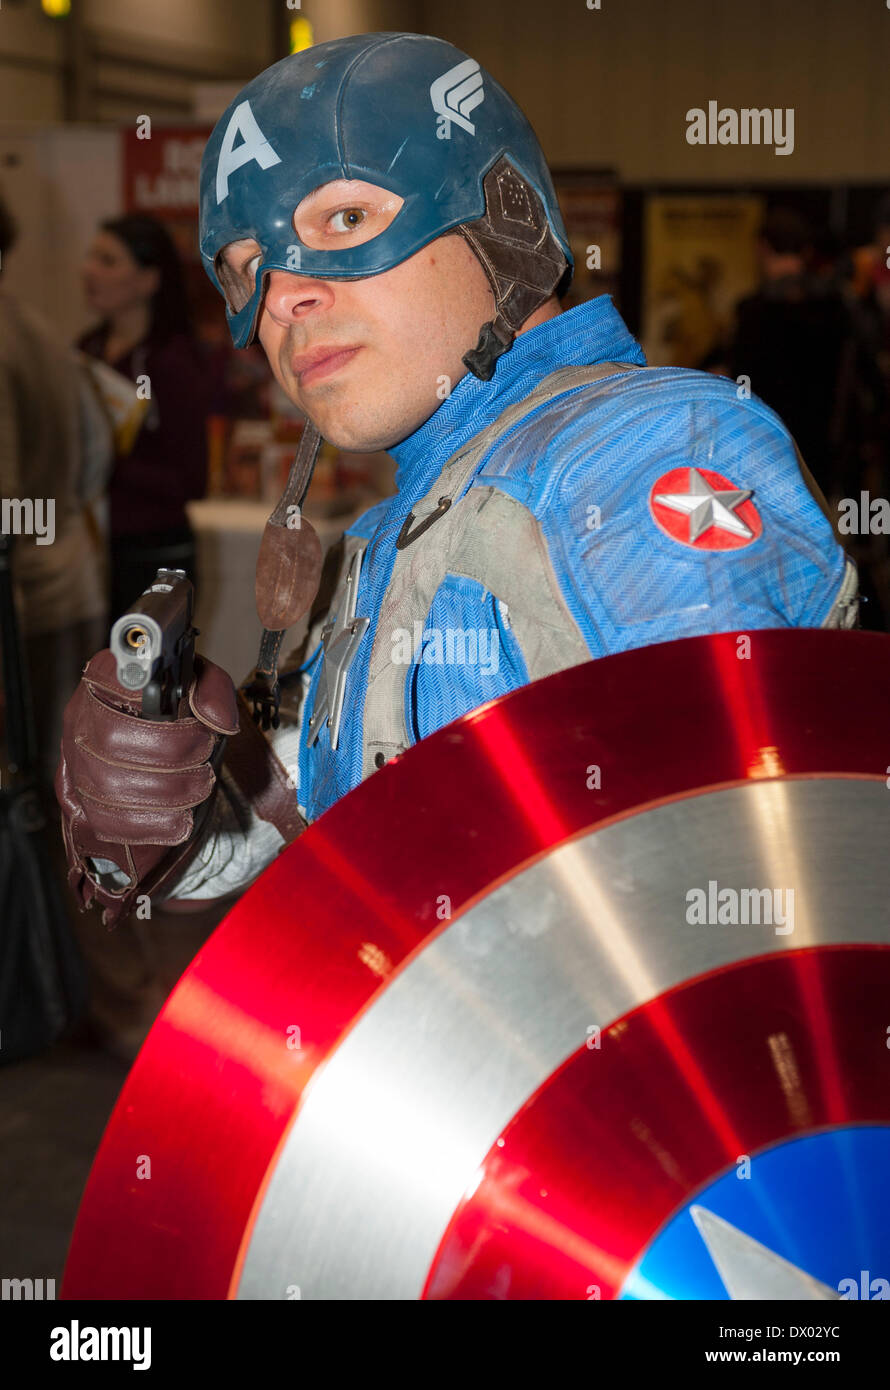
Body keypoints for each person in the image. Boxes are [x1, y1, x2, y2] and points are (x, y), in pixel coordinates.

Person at [55, 33, 858, 932]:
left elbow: (751, 917)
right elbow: (326, 806)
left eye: (344, 220)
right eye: (250, 267)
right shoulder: (395, 528)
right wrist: (186, 800)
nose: (283, 297)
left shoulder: (634, 452)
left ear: (505, 217)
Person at [79, 214, 209, 618]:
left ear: (148, 280)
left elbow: (192, 481)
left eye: (107, 260)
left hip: (154, 557)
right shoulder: (85, 351)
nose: (89, 270)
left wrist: (105, 465)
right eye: (91, 257)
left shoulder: (172, 362)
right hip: (91, 552)